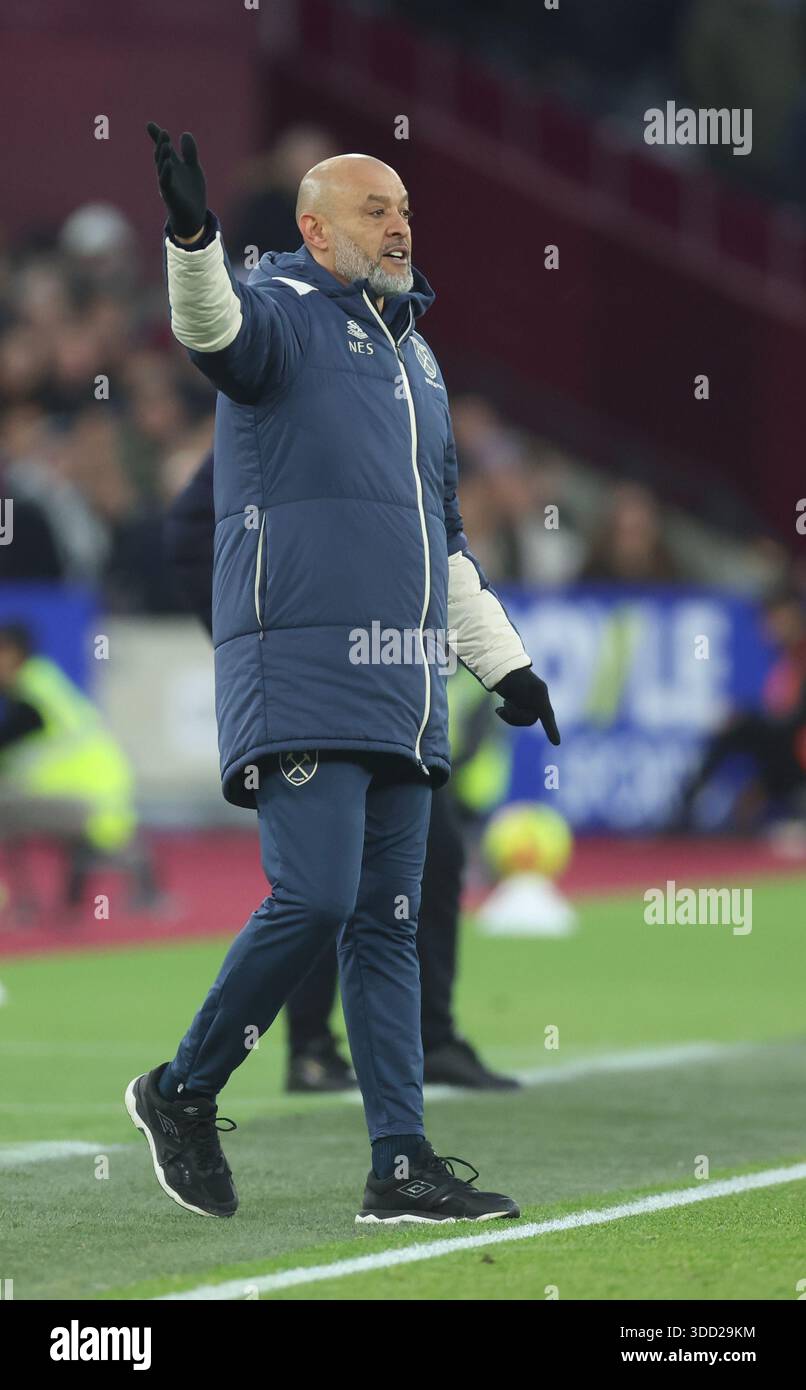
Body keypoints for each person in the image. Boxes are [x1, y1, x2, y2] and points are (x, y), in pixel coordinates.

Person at [126, 125, 559, 1224]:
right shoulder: (277, 307)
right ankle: (181, 1090)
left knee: (388, 925)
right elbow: (208, 330)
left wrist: (504, 665)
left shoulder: (418, 358)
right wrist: (191, 234)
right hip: (306, 670)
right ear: (313, 230)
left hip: (408, 683)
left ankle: (399, 1164)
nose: (399, 221)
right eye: (373, 208)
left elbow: (441, 541)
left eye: (403, 204)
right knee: (314, 899)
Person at [165, 451, 520, 1093]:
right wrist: (254, 637)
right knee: (322, 887)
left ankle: (428, 1041)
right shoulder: (282, 401)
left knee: (428, 863)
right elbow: (190, 529)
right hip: (311, 694)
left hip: (386, 693)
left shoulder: (388, 406)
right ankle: (301, 1050)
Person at [0, 624, 156, 911]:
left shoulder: (29, 697)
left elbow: (7, 741)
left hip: (81, 798)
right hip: (101, 797)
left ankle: (23, 904)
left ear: (15, 654)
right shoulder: (44, 684)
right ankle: (138, 888)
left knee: (6, 809)